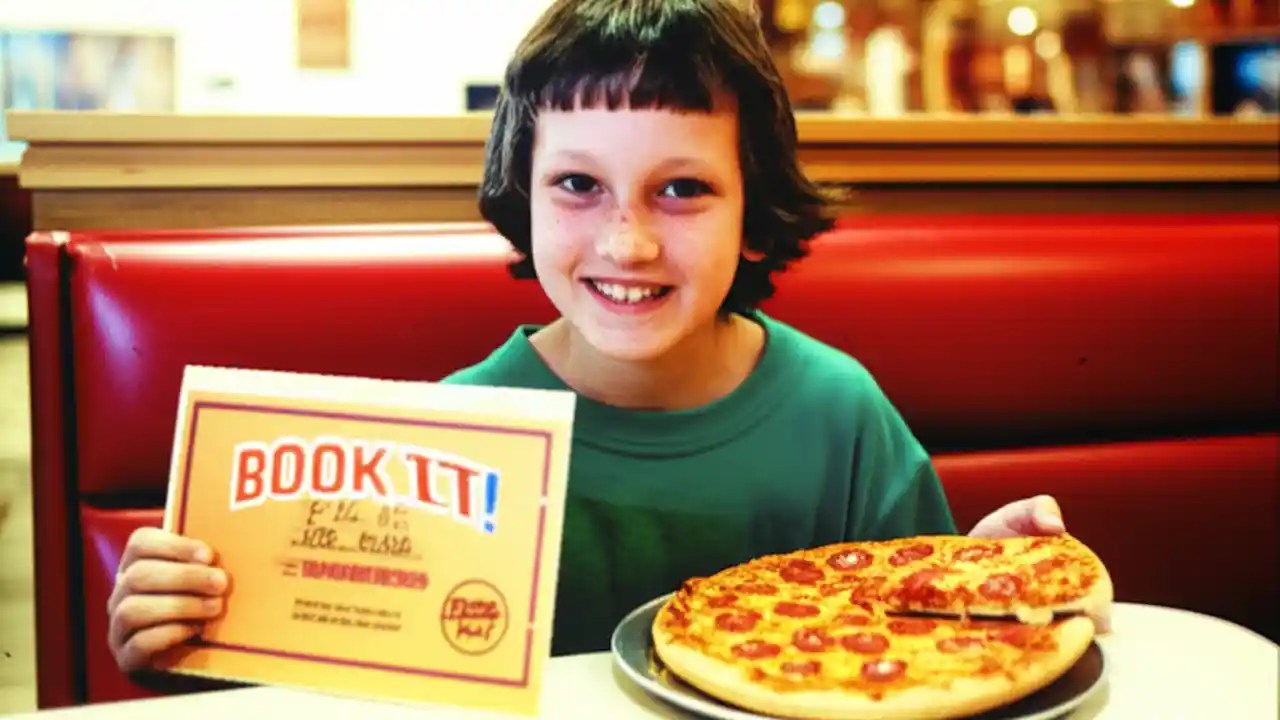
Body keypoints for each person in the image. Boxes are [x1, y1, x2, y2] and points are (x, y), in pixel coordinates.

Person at [106, 0, 1106, 673]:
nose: (627, 241)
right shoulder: (445, 434)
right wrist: (191, 637)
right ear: (522, 196)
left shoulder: (841, 418)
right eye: (578, 184)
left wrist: (981, 583)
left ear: (755, 212)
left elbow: (922, 649)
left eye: (682, 188)